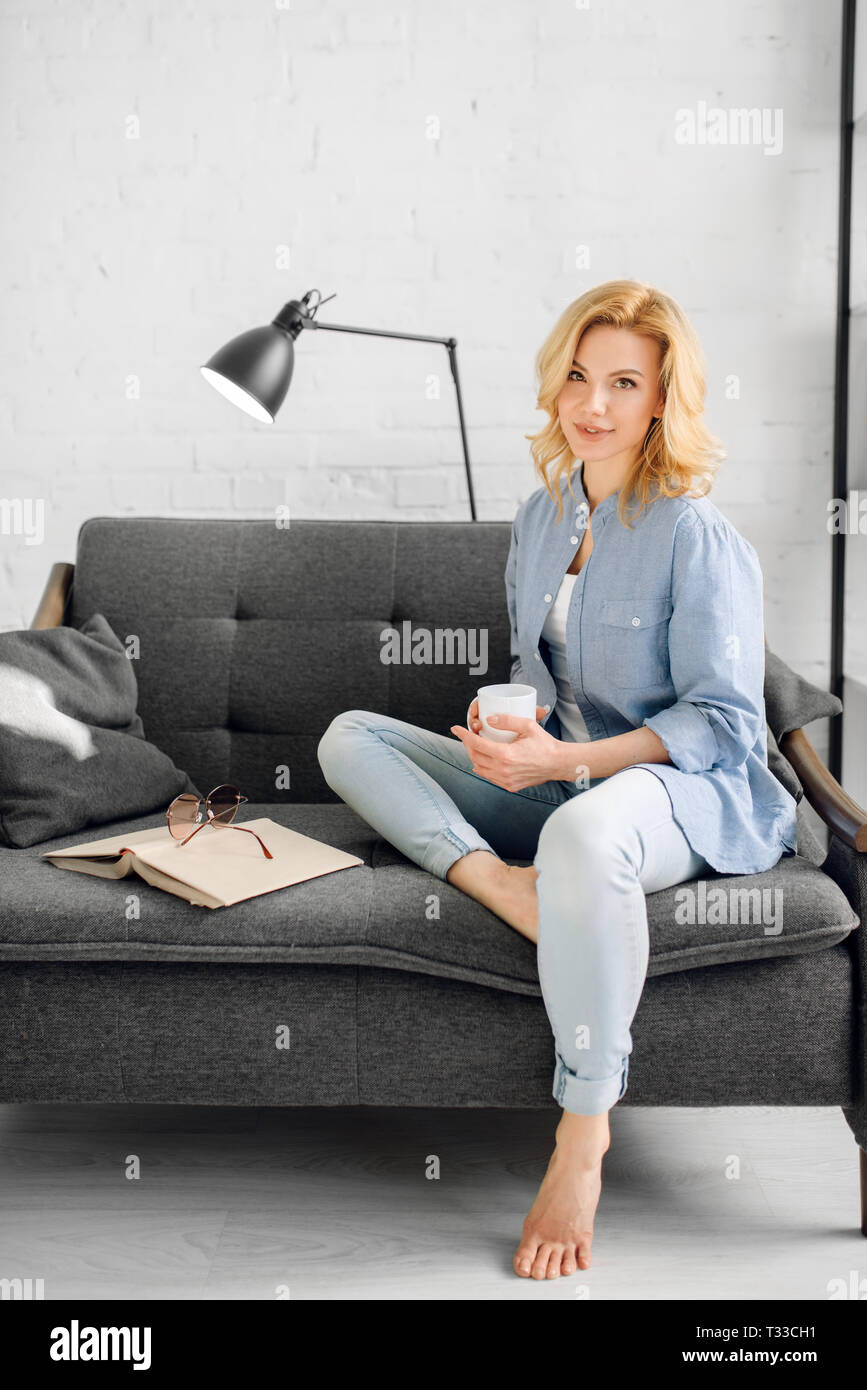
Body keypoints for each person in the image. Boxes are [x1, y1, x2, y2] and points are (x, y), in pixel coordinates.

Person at [316, 279, 798, 1281]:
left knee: (582, 835)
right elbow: (537, 678)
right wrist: (512, 736)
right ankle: (502, 884)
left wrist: (568, 762)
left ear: (661, 398)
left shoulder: (694, 535)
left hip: (673, 792)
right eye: (578, 376)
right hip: (559, 779)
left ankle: (583, 1131)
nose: (593, 403)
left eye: (624, 382)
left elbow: (723, 723)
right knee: (349, 737)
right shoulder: (541, 519)